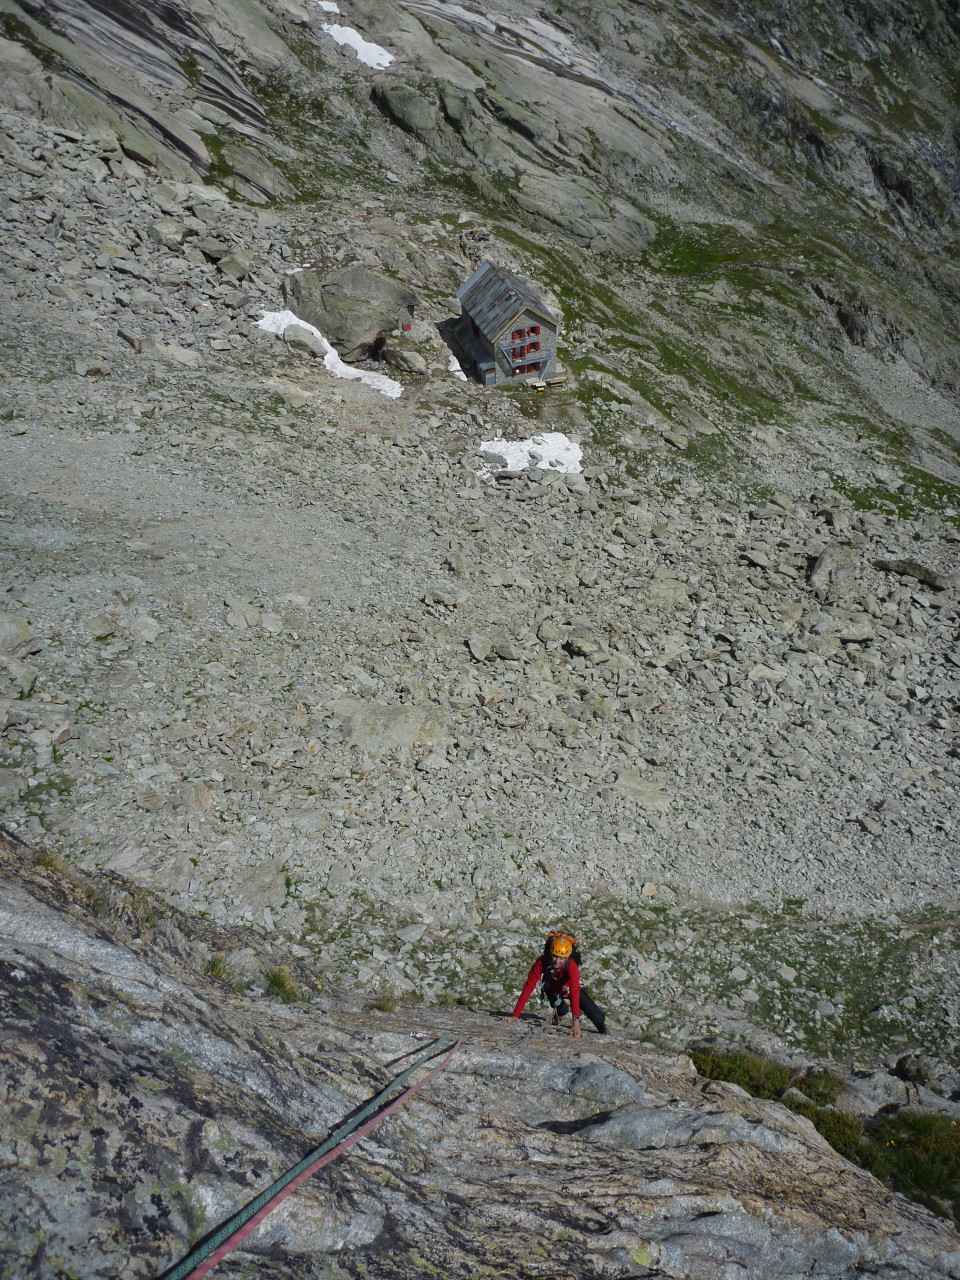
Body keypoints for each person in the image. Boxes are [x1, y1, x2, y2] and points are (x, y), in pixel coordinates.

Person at [501, 932, 607, 1037]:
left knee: (598, 1017)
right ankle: (560, 1013)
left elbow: (574, 992)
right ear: (550, 954)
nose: (557, 961)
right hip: (553, 986)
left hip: (569, 987)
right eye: (555, 956)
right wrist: (515, 1016)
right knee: (559, 1006)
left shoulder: (571, 966)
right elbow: (529, 987)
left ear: (567, 958)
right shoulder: (541, 962)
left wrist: (576, 1022)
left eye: (561, 958)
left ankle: (603, 1032)